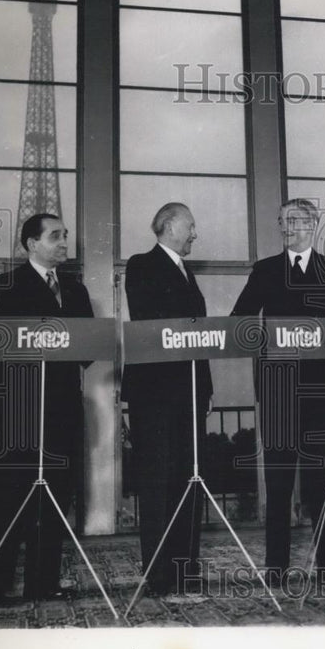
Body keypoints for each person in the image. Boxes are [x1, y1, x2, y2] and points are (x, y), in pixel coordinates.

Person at [231, 198, 325, 586]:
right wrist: (265, 343)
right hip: (278, 391)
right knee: (279, 482)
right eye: (282, 220)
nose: (287, 226)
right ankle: (276, 567)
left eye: (296, 220)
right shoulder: (265, 270)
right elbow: (239, 321)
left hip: (320, 390)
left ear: (313, 225)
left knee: (321, 480)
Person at [0, 213, 93, 604]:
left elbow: (88, 349)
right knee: (9, 500)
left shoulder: (76, 290)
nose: (65, 243)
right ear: (32, 243)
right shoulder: (4, 286)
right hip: (20, 411)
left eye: (66, 235)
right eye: (56, 236)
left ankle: (44, 583)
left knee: (55, 498)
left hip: (62, 410)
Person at [123, 202, 213, 595]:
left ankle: (185, 568)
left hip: (190, 393)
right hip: (155, 395)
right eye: (190, 226)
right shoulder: (141, 265)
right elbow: (153, 322)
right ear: (171, 225)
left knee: (188, 480)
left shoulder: (187, 273)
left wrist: (206, 388)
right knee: (158, 483)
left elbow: (200, 336)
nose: (195, 233)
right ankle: (158, 574)